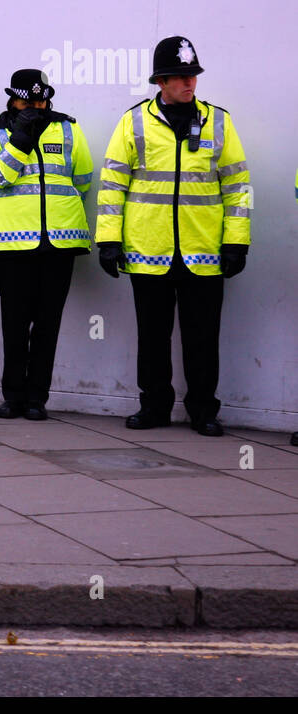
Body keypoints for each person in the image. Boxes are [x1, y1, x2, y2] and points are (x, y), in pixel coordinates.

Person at [95, 36, 250, 437]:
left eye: (193, 76)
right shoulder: (133, 122)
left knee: (203, 337)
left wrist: (237, 240)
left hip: (204, 249)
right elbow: (112, 184)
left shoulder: (219, 121)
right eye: (181, 77)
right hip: (149, 249)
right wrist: (108, 240)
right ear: (161, 81)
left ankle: (204, 410)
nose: (190, 84)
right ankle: (154, 407)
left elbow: (237, 186)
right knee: (152, 336)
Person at [0, 68, 93, 420]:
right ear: (12, 99)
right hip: (13, 242)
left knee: (48, 323)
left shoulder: (68, 128)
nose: (35, 106)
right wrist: (20, 140)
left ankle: (36, 398)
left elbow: (83, 178)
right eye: (28, 100)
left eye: (41, 100)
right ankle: (12, 396)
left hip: (59, 241)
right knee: (14, 323)